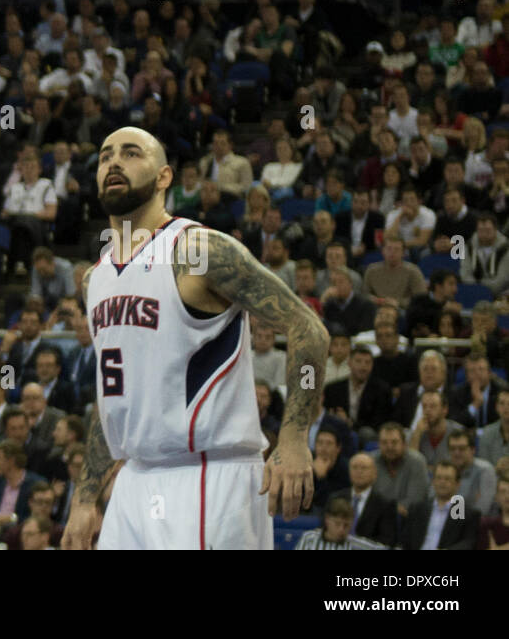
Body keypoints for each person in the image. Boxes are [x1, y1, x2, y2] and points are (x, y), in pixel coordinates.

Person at [63, 126, 327, 550]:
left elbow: (307, 328)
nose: (114, 162)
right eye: (105, 156)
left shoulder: (198, 250)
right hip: (133, 479)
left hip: (210, 475)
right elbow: (113, 398)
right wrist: (85, 497)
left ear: (165, 177)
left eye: (131, 153)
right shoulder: (95, 278)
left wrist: (294, 439)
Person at [401, 461, 479, 550]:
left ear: (457, 484)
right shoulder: (417, 509)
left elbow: (468, 543)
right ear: (433, 482)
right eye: (438, 478)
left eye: (447, 479)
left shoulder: (467, 514)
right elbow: (406, 540)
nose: (442, 482)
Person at [328, 452, 398, 547]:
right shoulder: (335, 498)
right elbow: (325, 530)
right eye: (355, 467)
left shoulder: (385, 504)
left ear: (374, 473)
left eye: (364, 468)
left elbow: (387, 540)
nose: (359, 471)